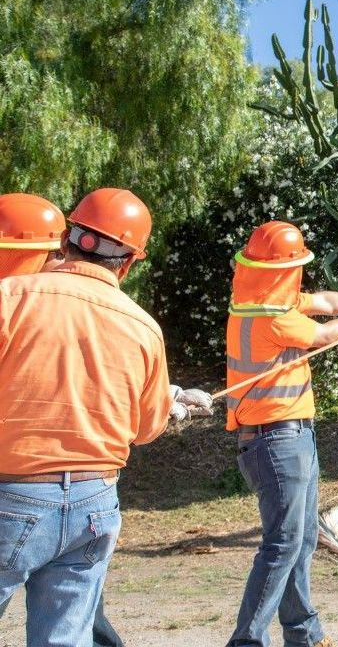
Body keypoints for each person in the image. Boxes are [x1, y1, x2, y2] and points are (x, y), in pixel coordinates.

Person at [0, 192, 214, 646]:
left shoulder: (10, 297)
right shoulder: (142, 326)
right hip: (94, 503)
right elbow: (147, 428)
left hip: (12, 494)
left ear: (66, 237)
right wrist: (169, 403)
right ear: (130, 261)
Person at [225, 221, 338, 647]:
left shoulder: (262, 297)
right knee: (284, 544)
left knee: (301, 541)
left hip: (291, 437)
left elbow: (323, 301)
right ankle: (247, 642)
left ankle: (304, 634)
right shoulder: (269, 315)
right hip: (276, 441)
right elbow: (324, 331)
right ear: (284, 270)